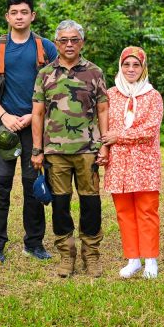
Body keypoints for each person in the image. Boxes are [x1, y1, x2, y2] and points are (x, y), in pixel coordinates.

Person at [0, 0, 57, 263]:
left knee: (33, 185)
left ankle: (33, 243)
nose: (19, 16)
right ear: (7, 16)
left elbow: (57, 87)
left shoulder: (46, 47)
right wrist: (4, 115)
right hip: (4, 126)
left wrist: (32, 117)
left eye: (25, 12)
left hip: (36, 126)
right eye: (15, 12)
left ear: (32, 15)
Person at [30, 20, 109, 278]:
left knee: (91, 204)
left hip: (87, 150)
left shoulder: (94, 73)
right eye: (64, 40)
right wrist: (36, 149)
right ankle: (67, 254)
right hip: (55, 152)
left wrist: (105, 145)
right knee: (60, 205)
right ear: (57, 44)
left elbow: (103, 109)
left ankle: (92, 255)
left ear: (82, 42)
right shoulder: (45, 74)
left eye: (74, 39)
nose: (69, 44)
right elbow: (38, 113)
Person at [103, 46, 164, 280]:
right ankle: (133, 259)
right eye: (126, 64)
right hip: (118, 164)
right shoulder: (110, 94)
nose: (131, 69)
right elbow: (104, 127)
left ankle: (150, 259)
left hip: (145, 163)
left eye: (136, 65)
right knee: (124, 212)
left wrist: (119, 137)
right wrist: (106, 146)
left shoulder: (152, 96)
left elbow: (150, 129)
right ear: (120, 66)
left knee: (147, 211)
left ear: (143, 68)